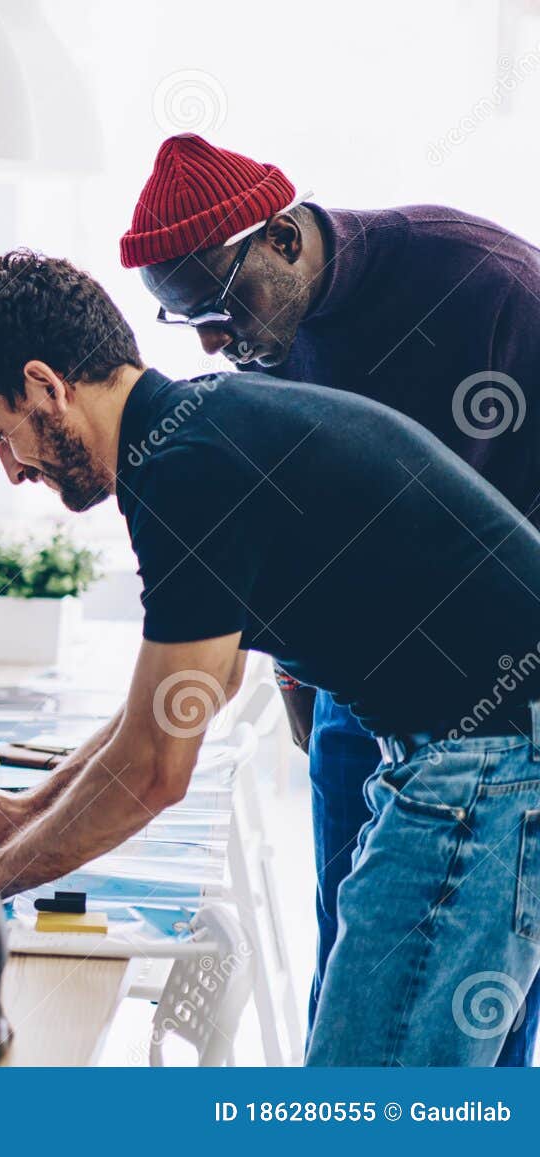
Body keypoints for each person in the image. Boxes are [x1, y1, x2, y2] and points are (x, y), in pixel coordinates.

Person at [0, 249, 540, 1066]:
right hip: (489, 752)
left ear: (46, 386)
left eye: (2, 432)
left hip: (492, 759)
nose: (11, 468)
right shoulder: (196, 430)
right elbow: (195, 693)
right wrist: (28, 813)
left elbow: (157, 767)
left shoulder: (186, 471)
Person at [121, 132, 540, 1064]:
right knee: (359, 976)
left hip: (509, 702)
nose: (218, 345)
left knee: (482, 1001)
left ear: (280, 236)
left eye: (220, 310)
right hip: (362, 688)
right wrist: (291, 673)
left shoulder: (482, 281)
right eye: (190, 329)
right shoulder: (266, 346)